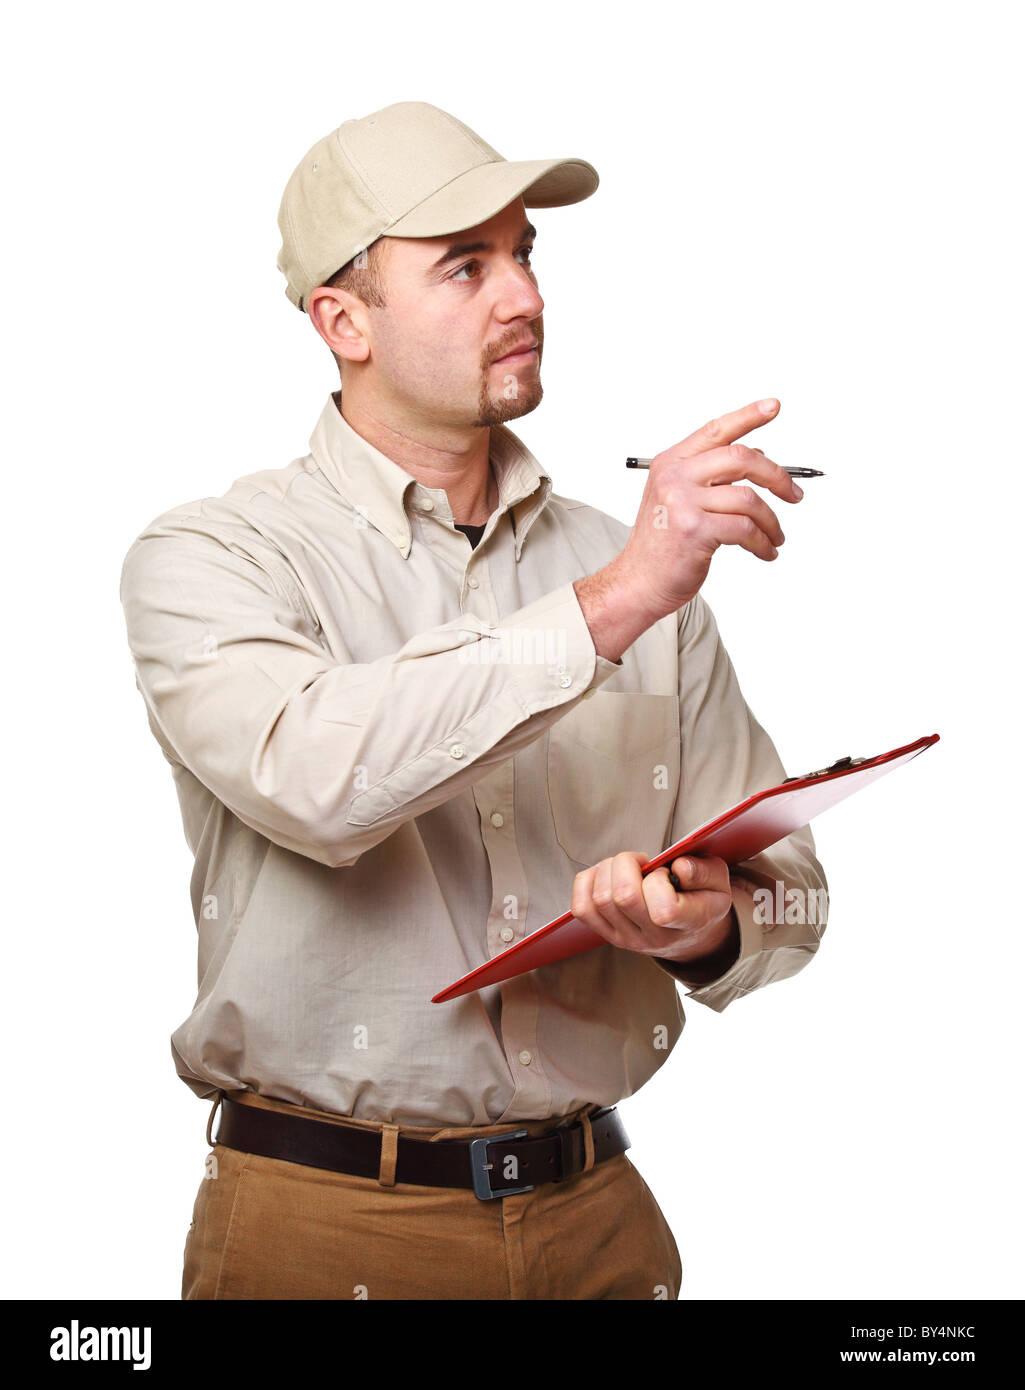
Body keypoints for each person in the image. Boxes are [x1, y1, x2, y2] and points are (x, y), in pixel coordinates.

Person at [119, 100, 828, 1301]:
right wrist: (610, 605)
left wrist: (706, 928)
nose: (525, 297)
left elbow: (797, 891)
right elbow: (314, 776)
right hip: (328, 1234)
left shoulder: (633, 569)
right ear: (342, 322)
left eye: (524, 255)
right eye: (464, 265)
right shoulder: (212, 557)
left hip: (602, 1224)